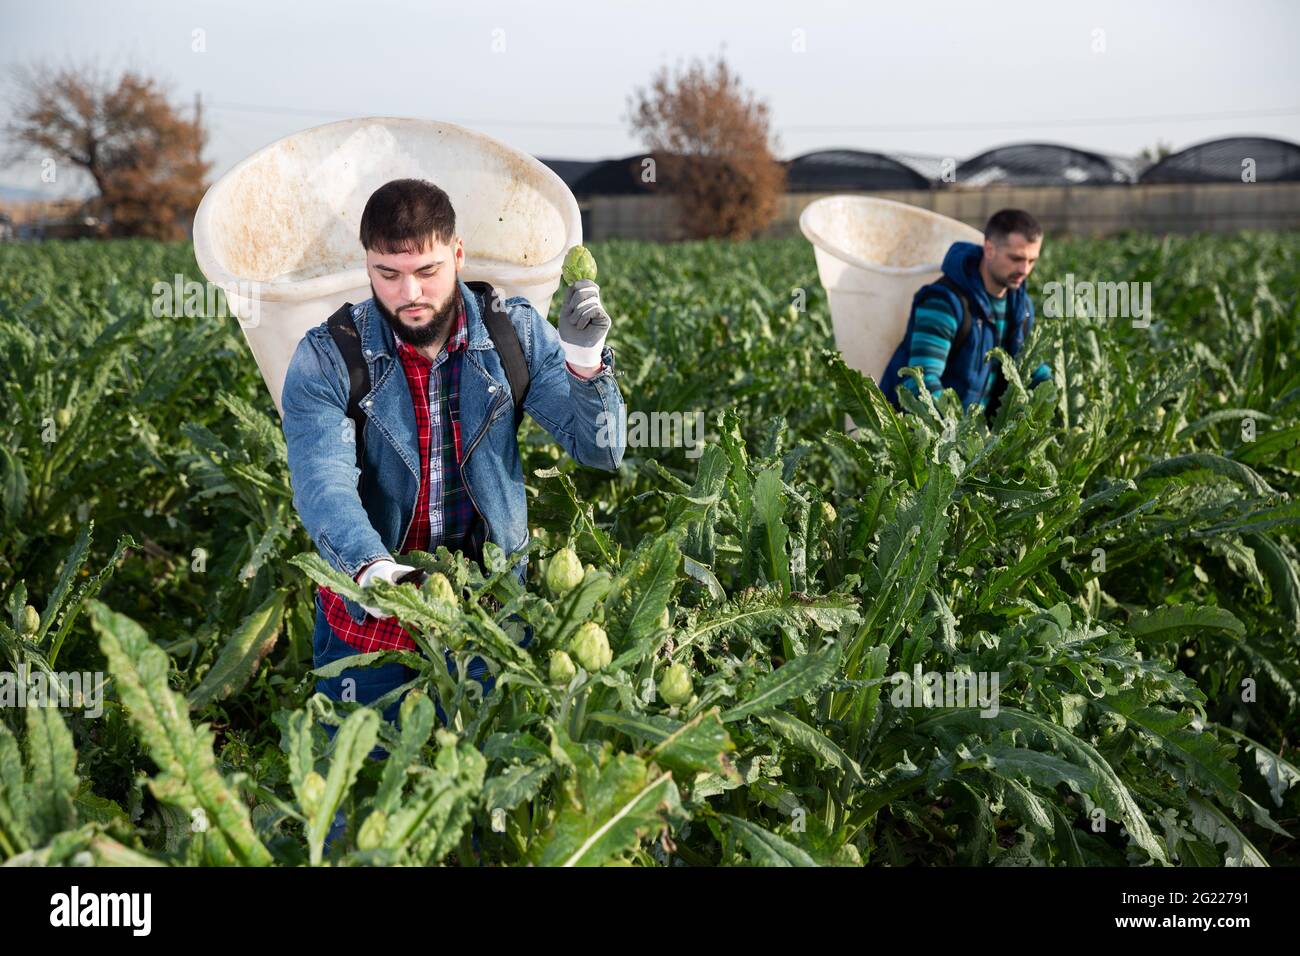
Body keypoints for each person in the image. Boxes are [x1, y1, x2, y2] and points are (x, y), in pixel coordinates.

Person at [280, 178, 626, 850]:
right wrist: (374, 571)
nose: (410, 293)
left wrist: (586, 365)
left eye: (428, 271)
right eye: (389, 274)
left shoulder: (512, 333)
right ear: (368, 267)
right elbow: (322, 483)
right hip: (372, 613)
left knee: (486, 811)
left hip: (489, 615)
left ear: (459, 254)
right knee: (360, 814)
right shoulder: (328, 356)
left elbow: (602, 451)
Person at [878, 208, 1052, 418]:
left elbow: (1030, 367)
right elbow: (921, 381)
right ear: (989, 249)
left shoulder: (1021, 307)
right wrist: (960, 433)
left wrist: (1055, 395)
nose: (1025, 270)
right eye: (1016, 258)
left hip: (977, 441)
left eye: (1032, 261)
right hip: (918, 438)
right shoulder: (945, 303)